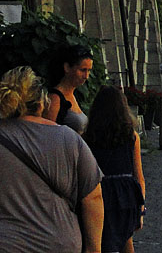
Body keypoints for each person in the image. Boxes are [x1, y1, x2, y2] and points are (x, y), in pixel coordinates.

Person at [0, 66, 104, 253]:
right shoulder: (68, 138)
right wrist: (93, 248)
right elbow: (93, 196)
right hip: (59, 242)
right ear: (42, 102)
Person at [83, 86, 146, 253]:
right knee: (126, 242)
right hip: (126, 195)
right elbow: (139, 175)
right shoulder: (131, 136)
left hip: (100, 193)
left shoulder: (88, 137)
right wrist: (141, 207)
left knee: (100, 243)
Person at [46, 44, 93, 134]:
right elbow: (48, 133)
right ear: (67, 67)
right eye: (83, 70)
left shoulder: (73, 95)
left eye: (89, 70)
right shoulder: (55, 99)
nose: (86, 76)